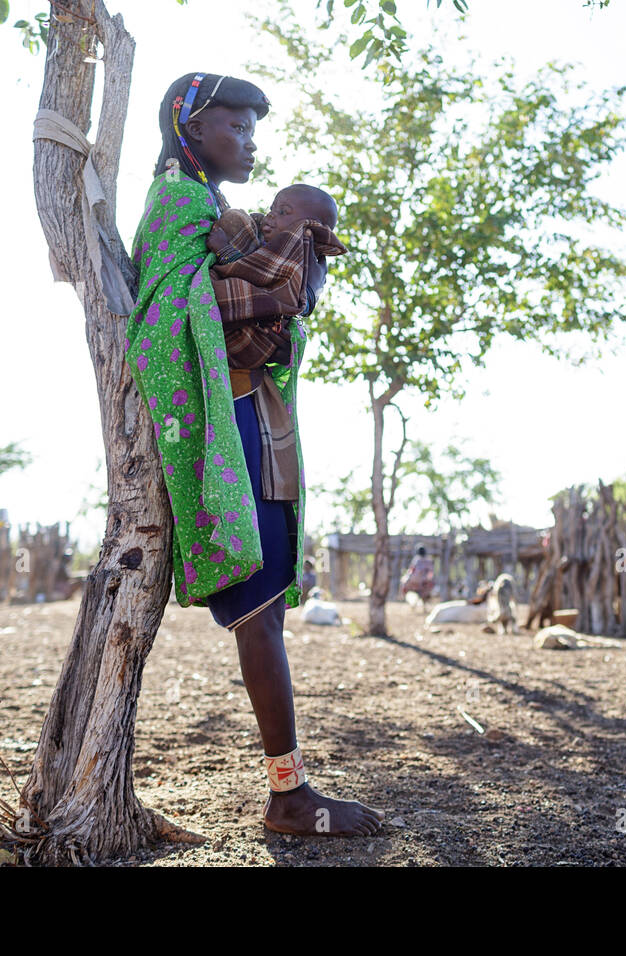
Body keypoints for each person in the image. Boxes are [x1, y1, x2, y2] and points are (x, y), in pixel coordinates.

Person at [125, 71, 383, 837]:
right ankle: (289, 795)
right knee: (261, 610)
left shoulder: (210, 207)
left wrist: (278, 294)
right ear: (190, 126)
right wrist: (275, 294)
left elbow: (261, 296)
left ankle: (290, 790)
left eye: (252, 129)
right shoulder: (178, 201)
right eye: (234, 127)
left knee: (266, 604)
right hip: (224, 421)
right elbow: (168, 308)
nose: (248, 141)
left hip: (248, 415)